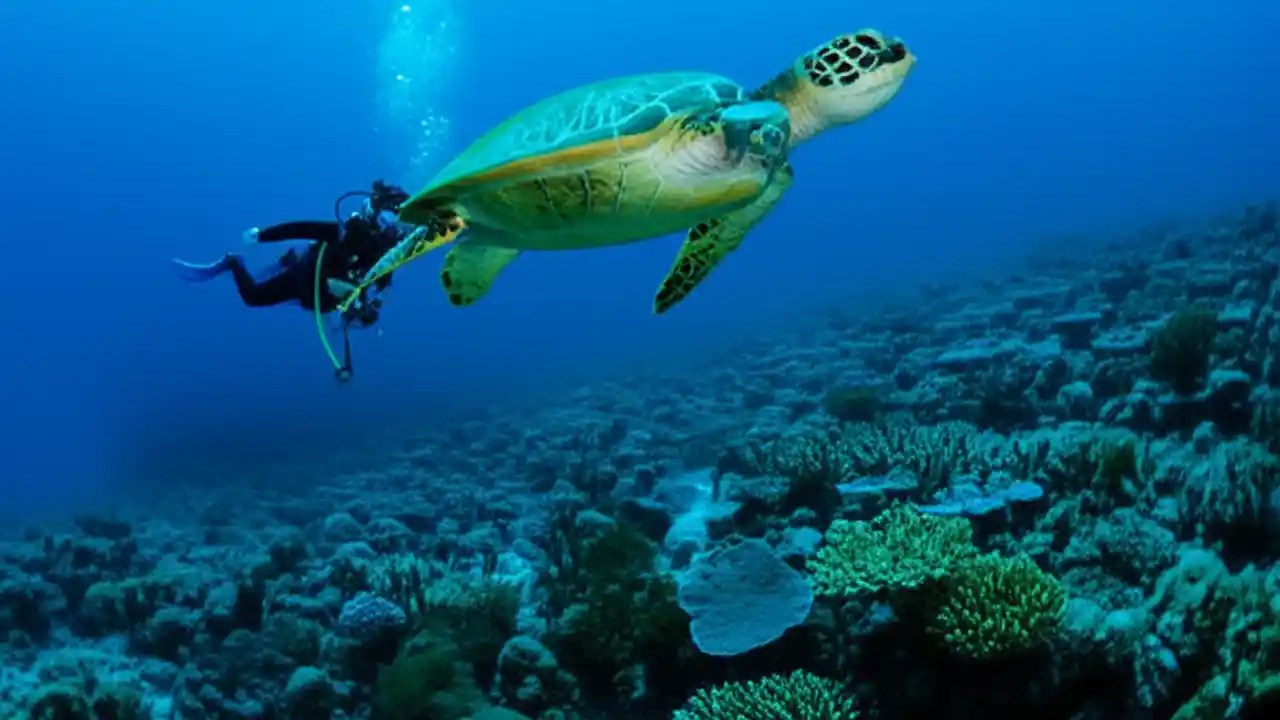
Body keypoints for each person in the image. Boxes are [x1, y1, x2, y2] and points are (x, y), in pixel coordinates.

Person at [172, 180, 412, 380]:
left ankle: (285, 262)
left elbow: (380, 286)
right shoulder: (345, 231)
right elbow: (300, 228)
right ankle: (233, 262)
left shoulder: (386, 256)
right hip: (303, 279)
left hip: (324, 299)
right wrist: (262, 235)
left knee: (341, 316)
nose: (393, 229)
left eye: (400, 225)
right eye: (392, 218)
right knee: (252, 297)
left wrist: (369, 309)